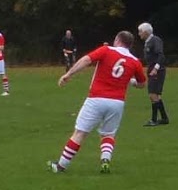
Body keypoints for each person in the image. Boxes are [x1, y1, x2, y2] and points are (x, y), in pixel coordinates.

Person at [47, 31, 146, 174]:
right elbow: (142, 84)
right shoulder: (135, 61)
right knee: (108, 134)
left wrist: (69, 74)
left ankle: (60, 166)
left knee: (80, 133)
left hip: (96, 98)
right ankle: (105, 160)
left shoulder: (106, 50)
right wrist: (131, 81)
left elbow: (86, 60)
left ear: (117, 40)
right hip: (117, 103)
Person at [139, 22, 169, 126]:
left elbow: (161, 55)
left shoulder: (155, 40)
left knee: (152, 94)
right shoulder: (148, 42)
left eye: (140, 31)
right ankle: (164, 118)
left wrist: (156, 68)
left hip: (157, 71)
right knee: (156, 95)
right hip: (152, 70)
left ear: (146, 32)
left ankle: (154, 119)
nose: (139, 34)